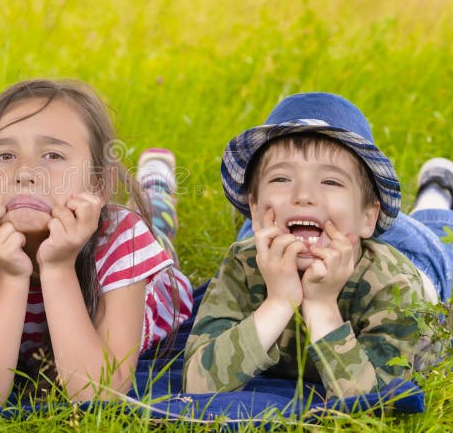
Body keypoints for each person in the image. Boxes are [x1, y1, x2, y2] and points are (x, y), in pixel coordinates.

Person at [0, 80, 194, 405]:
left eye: (53, 155)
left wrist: (58, 267)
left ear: (98, 185)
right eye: (5, 155)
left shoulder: (123, 239)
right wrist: (11, 276)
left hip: (151, 294)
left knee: (156, 222)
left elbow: (99, 394)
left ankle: (156, 182)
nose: (24, 172)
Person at [183, 92, 451, 398]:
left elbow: (373, 400)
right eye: (282, 178)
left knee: (441, 237)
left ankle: (436, 191)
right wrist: (280, 301)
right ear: (253, 208)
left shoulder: (395, 284)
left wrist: (322, 305)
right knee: (275, 225)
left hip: (416, 258)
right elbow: (197, 385)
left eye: (330, 181)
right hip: (318, 221)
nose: (303, 195)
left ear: (368, 217)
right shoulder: (243, 265)